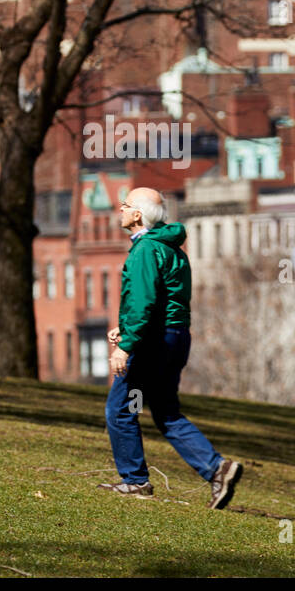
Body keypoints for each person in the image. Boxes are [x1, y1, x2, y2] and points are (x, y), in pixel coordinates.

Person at [96, 186, 243, 509]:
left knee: (120, 410)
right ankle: (217, 469)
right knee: (165, 411)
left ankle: (135, 480)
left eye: (125, 205)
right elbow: (163, 300)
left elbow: (144, 301)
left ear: (138, 215)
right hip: (175, 336)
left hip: (153, 341)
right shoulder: (171, 247)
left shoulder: (145, 250)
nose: (120, 209)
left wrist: (125, 346)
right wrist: (126, 328)